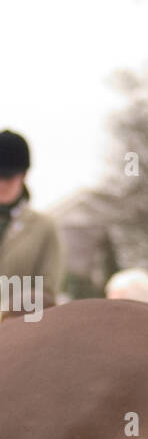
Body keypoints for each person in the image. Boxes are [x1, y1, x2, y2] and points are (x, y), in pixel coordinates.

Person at [0, 129, 63, 321]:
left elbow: (46, 291)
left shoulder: (44, 227)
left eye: (8, 178)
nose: (2, 184)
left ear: (24, 175)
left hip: (18, 330)